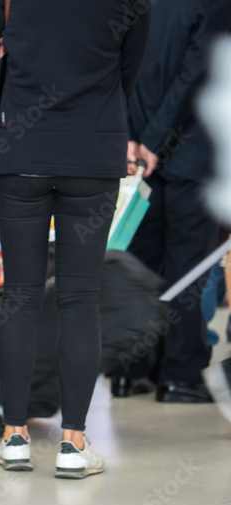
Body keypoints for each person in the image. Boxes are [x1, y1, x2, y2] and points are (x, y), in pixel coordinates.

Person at [0, 0, 149, 479]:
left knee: (20, 297)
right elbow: (131, 68)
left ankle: (15, 437)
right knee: (80, 299)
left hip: (23, 151)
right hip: (93, 152)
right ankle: (73, 442)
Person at [112, 0, 231, 404]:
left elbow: (119, 66)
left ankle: (131, 371)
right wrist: (157, 139)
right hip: (188, 154)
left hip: (137, 154)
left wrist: (132, 136)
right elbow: (197, 71)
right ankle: (179, 375)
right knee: (187, 268)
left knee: (139, 265)